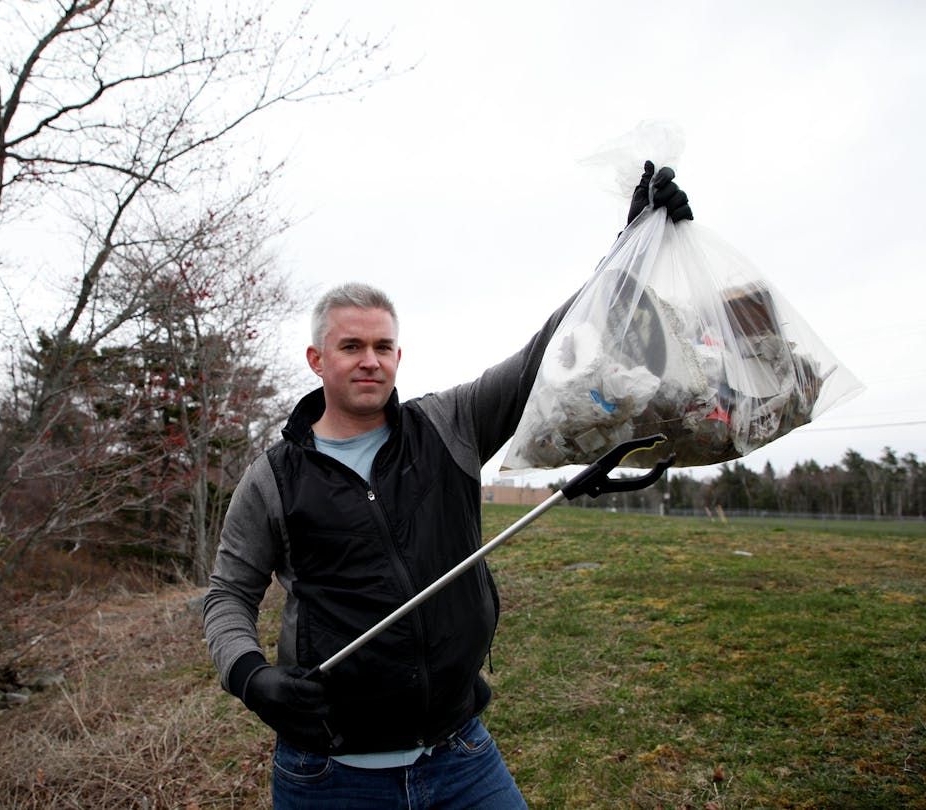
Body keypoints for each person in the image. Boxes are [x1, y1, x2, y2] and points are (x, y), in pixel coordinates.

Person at [202, 162, 692, 809]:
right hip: (329, 773)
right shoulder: (273, 477)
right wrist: (250, 677)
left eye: (383, 344)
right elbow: (227, 594)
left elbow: (546, 352)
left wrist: (627, 254)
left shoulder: (450, 425)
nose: (370, 359)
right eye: (351, 345)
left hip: (459, 756)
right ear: (318, 360)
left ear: (398, 356)